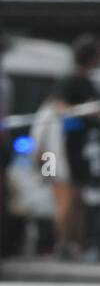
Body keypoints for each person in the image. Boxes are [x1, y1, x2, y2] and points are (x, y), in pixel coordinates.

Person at [46, 35, 100, 260]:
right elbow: (58, 106)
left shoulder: (89, 82)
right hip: (64, 147)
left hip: (84, 148)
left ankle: (77, 244)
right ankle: (62, 243)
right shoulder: (69, 81)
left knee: (78, 199)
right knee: (66, 198)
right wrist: (80, 112)